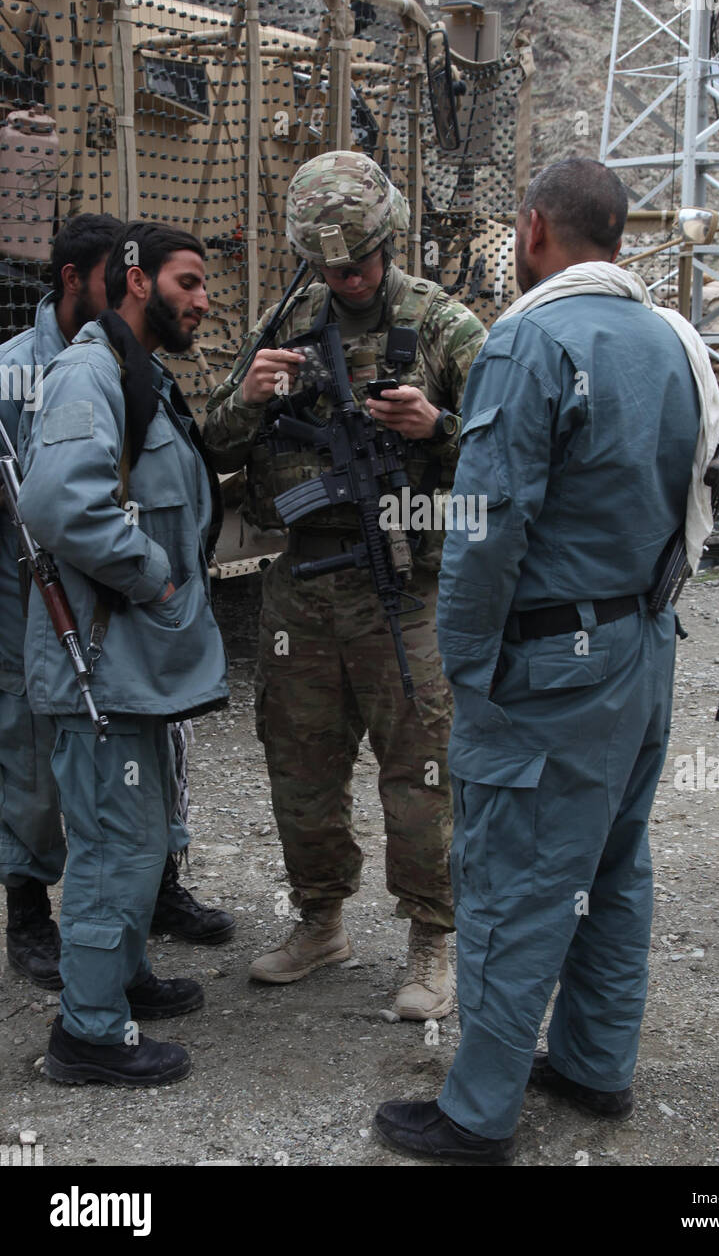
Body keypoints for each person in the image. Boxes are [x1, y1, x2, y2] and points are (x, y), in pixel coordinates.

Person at [374, 155, 719, 1163]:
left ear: (531, 230)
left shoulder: (526, 338)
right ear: (613, 234)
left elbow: (486, 525)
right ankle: (592, 1063)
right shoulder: (669, 339)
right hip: (638, 647)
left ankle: (475, 1112)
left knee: (515, 876)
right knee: (609, 865)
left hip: (549, 666)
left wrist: (467, 666)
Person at [204, 150, 486, 1019]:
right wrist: (248, 396)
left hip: (401, 586)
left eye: (360, 256)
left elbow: (509, 459)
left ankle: (434, 939)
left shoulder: (444, 326)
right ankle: (319, 918)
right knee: (300, 763)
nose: (348, 274)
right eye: (331, 262)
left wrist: (439, 428)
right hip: (303, 583)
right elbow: (209, 447)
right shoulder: (285, 321)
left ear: (388, 237)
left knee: (420, 769)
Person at [17, 221, 229, 1086]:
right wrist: (158, 579)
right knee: (115, 847)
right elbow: (61, 506)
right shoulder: (88, 373)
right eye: (187, 282)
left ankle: (123, 977)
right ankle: (89, 1034)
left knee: (145, 835)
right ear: (135, 280)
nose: (202, 299)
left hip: (134, 664)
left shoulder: (138, 373)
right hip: (99, 663)